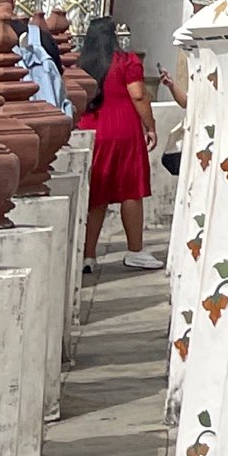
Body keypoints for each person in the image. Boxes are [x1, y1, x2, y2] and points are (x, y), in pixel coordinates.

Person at [77, 16, 160, 273]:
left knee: (97, 195)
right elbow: (137, 93)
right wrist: (150, 126)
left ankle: (87, 255)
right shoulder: (126, 61)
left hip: (91, 129)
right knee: (130, 191)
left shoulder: (83, 64)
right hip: (123, 128)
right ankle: (134, 250)